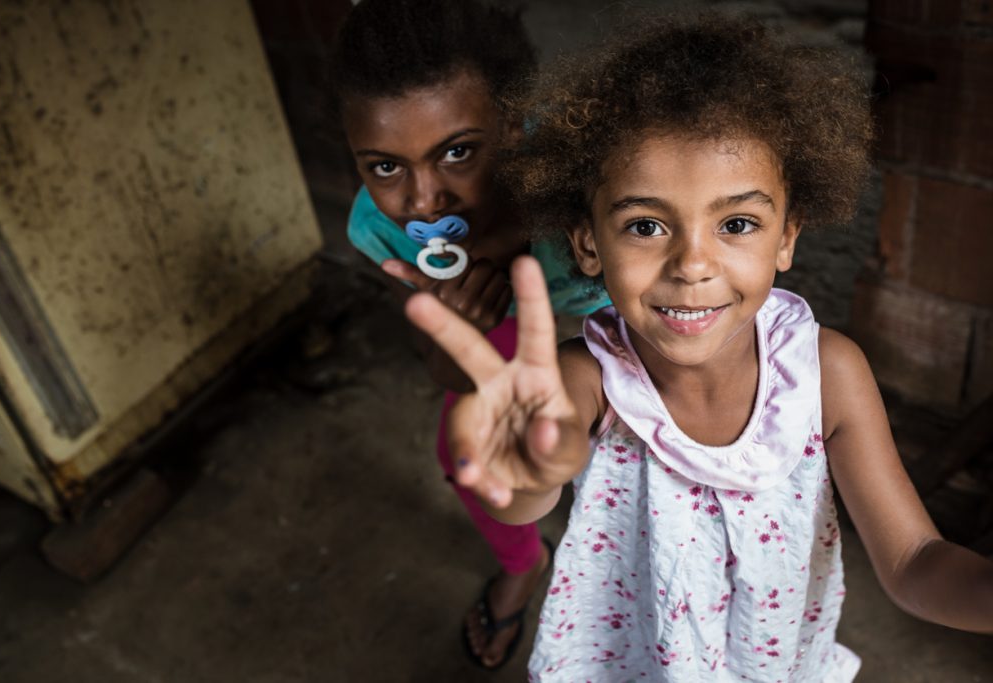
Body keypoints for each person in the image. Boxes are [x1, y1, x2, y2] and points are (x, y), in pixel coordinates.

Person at [404, 12, 993, 681]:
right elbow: (527, 492)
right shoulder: (588, 379)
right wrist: (530, 475)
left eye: (736, 223)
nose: (692, 263)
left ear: (787, 237)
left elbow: (914, 560)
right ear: (588, 242)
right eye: (647, 224)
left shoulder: (828, 373)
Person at [329, 0, 610, 669]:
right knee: (474, 457)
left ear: (513, 125)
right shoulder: (384, 229)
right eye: (384, 166)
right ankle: (525, 561)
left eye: (456, 152)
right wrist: (460, 325)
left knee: (640, 465)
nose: (424, 200)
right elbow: (448, 368)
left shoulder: (583, 166)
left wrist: (528, 231)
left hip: (618, 308)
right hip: (503, 329)